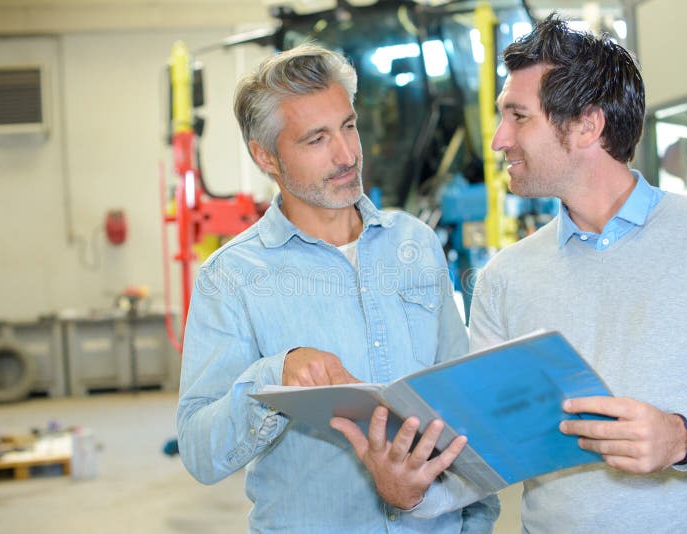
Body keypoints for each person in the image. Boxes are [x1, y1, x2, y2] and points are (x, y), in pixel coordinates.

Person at [332, 14, 687, 532]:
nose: (499, 140)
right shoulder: (506, 275)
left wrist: (685, 439)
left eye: (518, 117)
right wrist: (411, 491)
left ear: (586, 125)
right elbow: (482, 449)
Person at [176, 43, 499, 533]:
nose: (347, 154)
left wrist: (475, 525)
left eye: (349, 126)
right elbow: (200, 452)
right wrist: (274, 376)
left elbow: (461, 409)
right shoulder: (232, 276)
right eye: (316, 139)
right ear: (265, 155)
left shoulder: (414, 243)